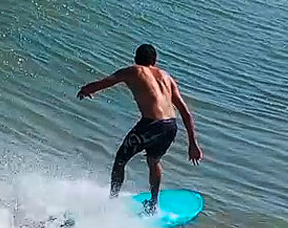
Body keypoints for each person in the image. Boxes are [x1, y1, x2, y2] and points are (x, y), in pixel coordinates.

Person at [77, 43, 202, 211]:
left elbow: (107, 82)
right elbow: (185, 113)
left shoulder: (134, 71)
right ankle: (153, 203)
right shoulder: (166, 77)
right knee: (154, 160)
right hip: (171, 126)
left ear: (135, 59)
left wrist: (86, 89)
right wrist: (193, 144)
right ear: (155, 61)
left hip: (151, 125)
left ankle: (111, 204)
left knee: (120, 160)